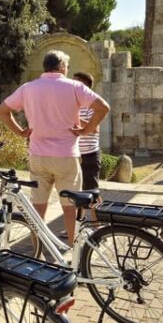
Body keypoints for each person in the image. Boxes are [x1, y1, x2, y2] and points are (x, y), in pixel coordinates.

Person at [0, 50, 109, 242]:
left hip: (38, 156)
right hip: (67, 156)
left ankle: (38, 250)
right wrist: (85, 130)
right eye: (67, 66)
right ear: (62, 66)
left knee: (38, 207)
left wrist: (21, 132)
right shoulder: (74, 87)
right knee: (70, 207)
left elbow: (2, 111)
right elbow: (103, 107)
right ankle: (72, 248)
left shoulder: (28, 88)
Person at [73, 71, 102, 225]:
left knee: (92, 192)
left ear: (84, 85)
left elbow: (95, 129)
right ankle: (78, 225)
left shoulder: (93, 104)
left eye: (75, 82)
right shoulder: (75, 105)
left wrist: (76, 119)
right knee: (78, 193)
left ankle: (97, 225)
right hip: (76, 155)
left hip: (90, 154)